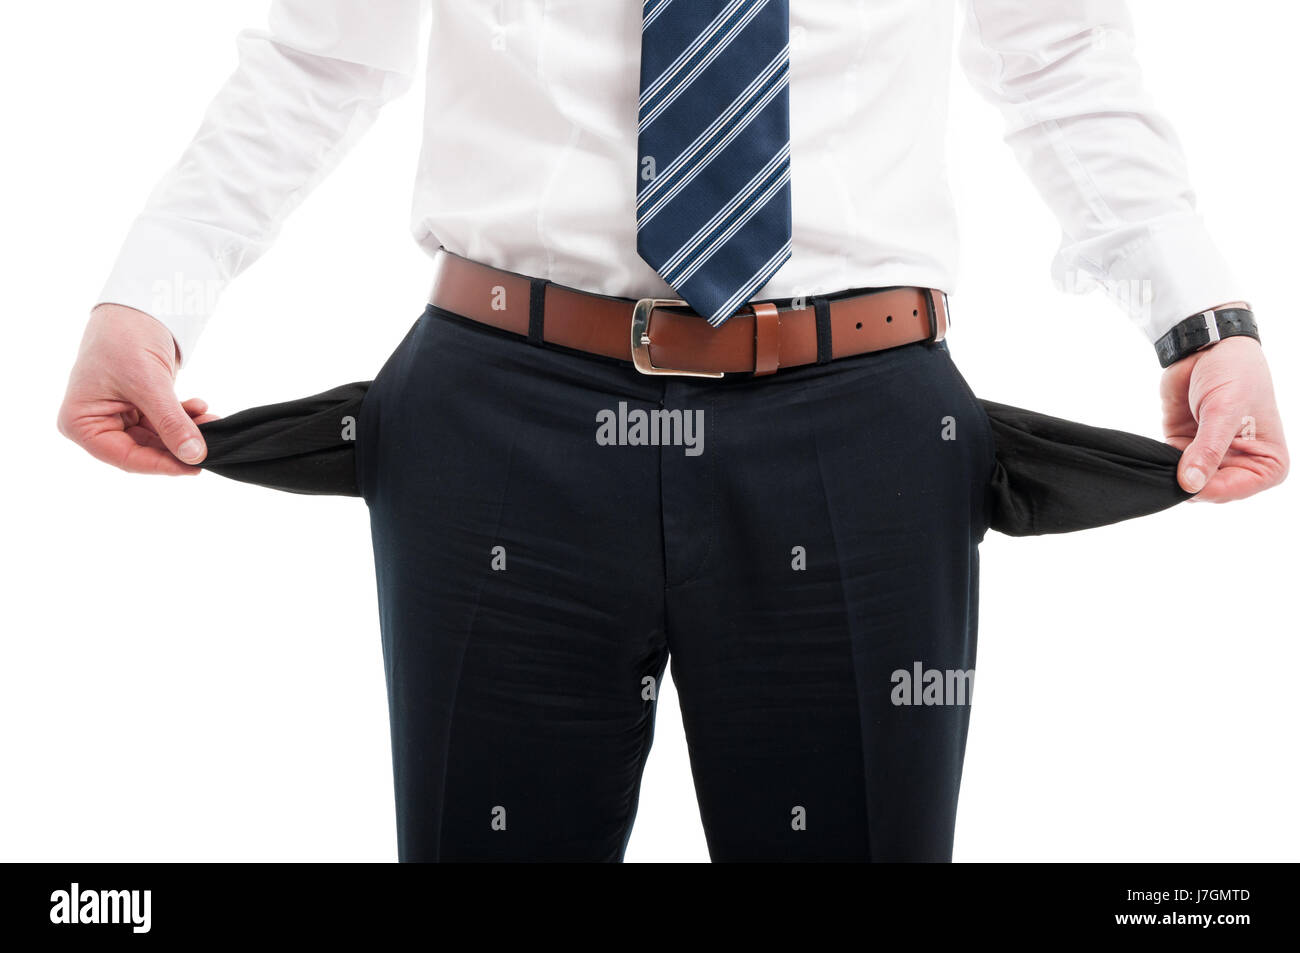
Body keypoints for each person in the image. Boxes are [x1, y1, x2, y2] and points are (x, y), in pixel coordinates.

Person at [57, 1, 1288, 862]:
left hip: (856, 427)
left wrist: (1200, 316)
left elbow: (1060, 52)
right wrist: (149, 294)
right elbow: (321, 57)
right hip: (499, 416)